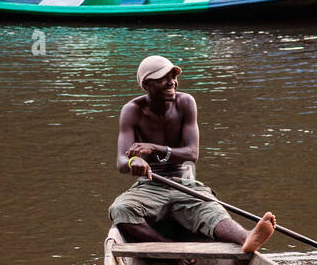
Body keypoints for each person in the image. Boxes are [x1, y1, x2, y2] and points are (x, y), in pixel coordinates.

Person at [109, 54, 276, 253]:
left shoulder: (185, 103)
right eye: (164, 78)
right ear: (147, 85)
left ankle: (247, 237)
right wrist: (133, 162)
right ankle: (166, 247)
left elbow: (192, 154)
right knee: (120, 210)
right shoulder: (132, 110)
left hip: (185, 183)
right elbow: (121, 160)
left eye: (173, 76)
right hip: (151, 184)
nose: (172, 82)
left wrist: (155, 148)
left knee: (211, 210)